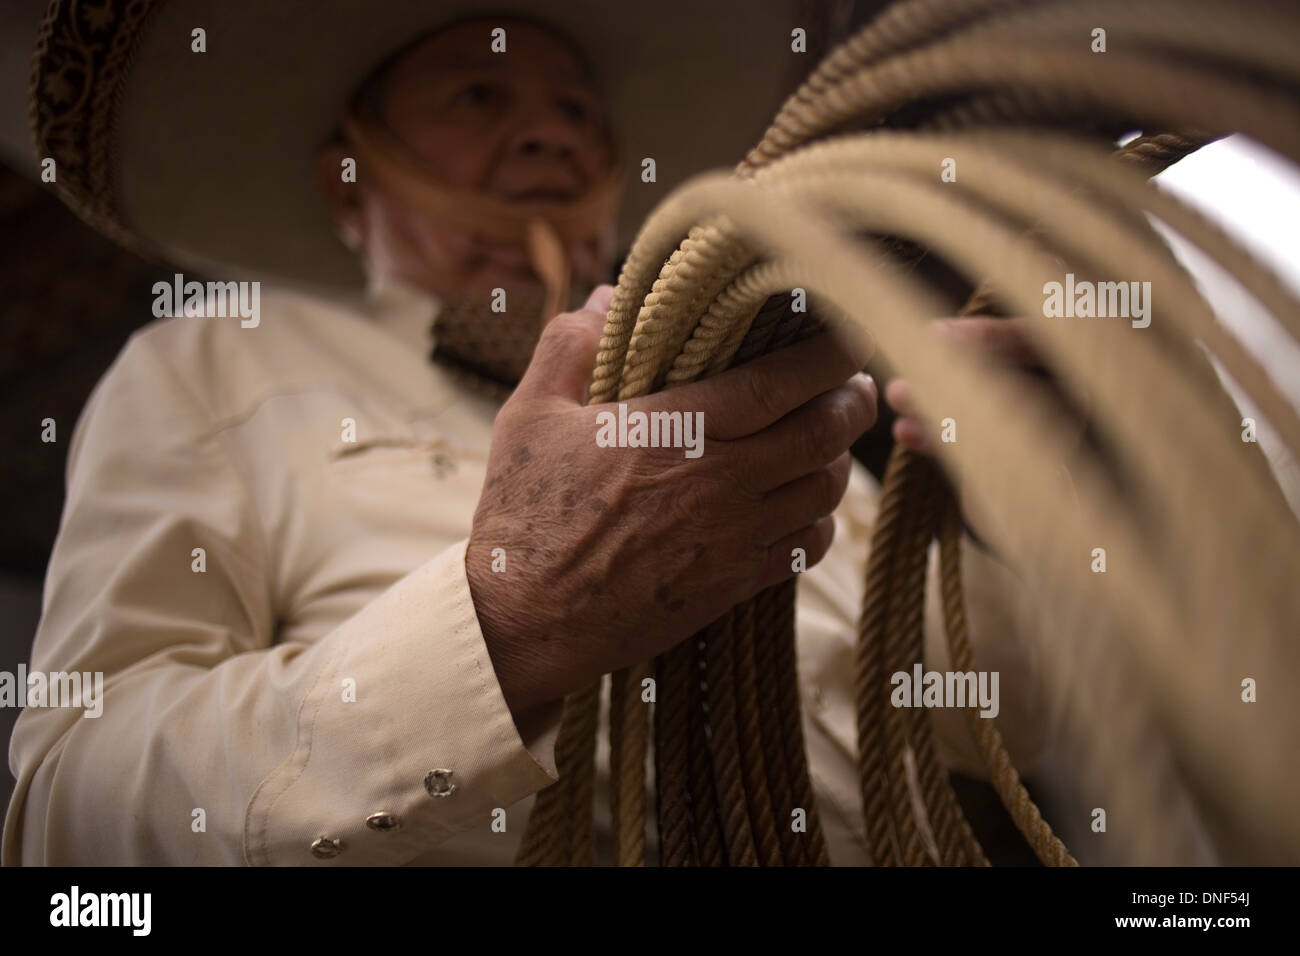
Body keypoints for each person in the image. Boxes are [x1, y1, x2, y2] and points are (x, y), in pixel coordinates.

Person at [5, 1, 1064, 866]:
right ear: (348, 175)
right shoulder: (211, 366)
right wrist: (511, 617)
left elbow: (1033, 726)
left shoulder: (764, 398)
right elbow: (68, 814)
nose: (555, 129)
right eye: (479, 92)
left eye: (576, 109)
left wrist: (1018, 507)